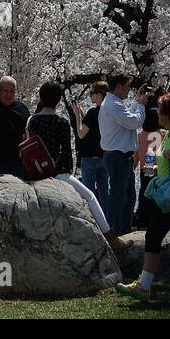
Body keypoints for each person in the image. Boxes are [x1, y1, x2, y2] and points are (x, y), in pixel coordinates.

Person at [116, 91, 170, 304]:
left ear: (168, 114)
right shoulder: (169, 134)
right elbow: (169, 160)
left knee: (154, 236)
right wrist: (158, 167)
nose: (157, 114)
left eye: (161, 110)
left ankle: (144, 286)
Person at [30, 82, 121, 250]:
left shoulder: (32, 120)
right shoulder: (61, 122)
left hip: (36, 173)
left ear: (41, 98)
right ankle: (110, 238)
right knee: (90, 197)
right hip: (57, 173)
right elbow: (66, 151)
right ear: (58, 101)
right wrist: (67, 172)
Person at [99, 73, 146, 237]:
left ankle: (123, 232)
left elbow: (127, 115)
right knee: (119, 199)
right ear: (119, 86)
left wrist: (136, 101)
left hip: (120, 157)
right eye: (127, 86)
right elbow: (134, 121)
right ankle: (114, 233)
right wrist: (141, 106)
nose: (128, 90)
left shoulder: (114, 103)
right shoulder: (113, 105)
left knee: (127, 197)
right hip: (118, 157)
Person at [75, 81, 108, 215]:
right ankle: (107, 221)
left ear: (99, 94)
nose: (90, 96)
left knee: (89, 193)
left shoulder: (93, 112)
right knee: (104, 192)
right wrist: (84, 115)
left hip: (89, 158)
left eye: (92, 93)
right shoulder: (109, 112)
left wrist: (77, 116)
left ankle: (92, 219)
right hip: (104, 156)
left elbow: (81, 134)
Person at [134, 101, 163, 229]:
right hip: (159, 169)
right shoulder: (162, 134)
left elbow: (135, 154)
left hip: (145, 168)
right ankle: (156, 221)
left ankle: (142, 221)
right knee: (158, 194)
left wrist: (133, 166)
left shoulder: (140, 134)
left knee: (144, 193)